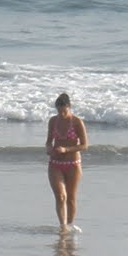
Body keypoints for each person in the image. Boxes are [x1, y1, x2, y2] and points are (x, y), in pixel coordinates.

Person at [45, 92, 88, 234]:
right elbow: (48, 141)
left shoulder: (77, 122)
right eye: (58, 111)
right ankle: (63, 227)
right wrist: (49, 149)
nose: (61, 114)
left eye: (64, 111)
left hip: (73, 164)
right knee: (60, 196)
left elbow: (84, 145)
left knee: (70, 198)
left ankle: (69, 225)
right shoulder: (53, 121)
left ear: (69, 107)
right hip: (55, 163)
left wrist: (66, 149)